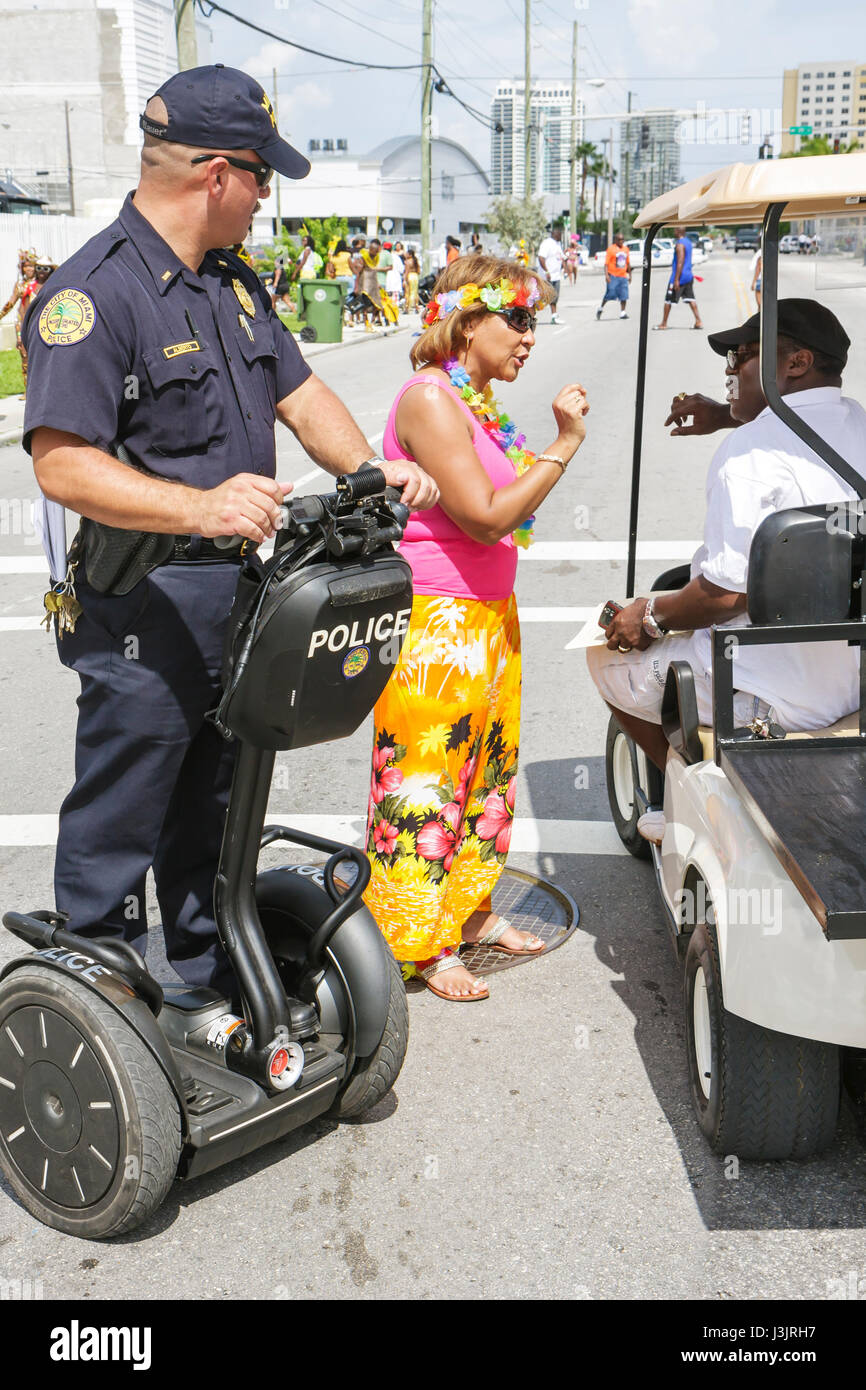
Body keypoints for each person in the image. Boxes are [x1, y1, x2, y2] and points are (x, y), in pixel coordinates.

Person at [21, 64, 438, 997]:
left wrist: (367, 470)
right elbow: (61, 463)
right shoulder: (91, 296)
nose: (264, 197)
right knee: (127, 803)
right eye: (260, 177)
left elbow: (299, 389)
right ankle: (96, 983)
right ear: (215, 175)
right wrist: (198, 506)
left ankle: (206, 980)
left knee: (215, 802)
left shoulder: (231, 282)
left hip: (246, 597)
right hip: (148, 602)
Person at [364, 254, 589, 999]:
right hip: (438, 621)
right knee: (425, 787)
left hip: (491, 615)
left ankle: (467, 915)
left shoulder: (475, 398)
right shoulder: (430, 399)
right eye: (518, 318)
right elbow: (488, 517)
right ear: (467, 321)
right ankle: (416, 942)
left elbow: (506, 506)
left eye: (534, 320)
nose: (530, 335)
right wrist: (563, 444)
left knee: (486, 779)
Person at [586, 299, 864, 842]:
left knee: (606, 660)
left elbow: (722, 595)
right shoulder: (855, 421)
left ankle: (682, 794)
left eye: (741, 355)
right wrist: (727, 414)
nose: (731, 370)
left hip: (773, 692)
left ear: (797, 363)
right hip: (852, 676)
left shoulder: (750, 452)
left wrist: (648, 615)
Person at [0, 249, 39, 397]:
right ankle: (28, 390)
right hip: (21, 324)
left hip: (36, 324)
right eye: (26, 266)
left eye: (31, 266)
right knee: (24, 356)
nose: (29, 269)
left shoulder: (41, 283)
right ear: (21, 268)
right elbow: (11, 302)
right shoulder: (20, 285)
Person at [655, 225, 703, 330]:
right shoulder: (688, 242)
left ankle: (664, 324)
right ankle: (698, 321)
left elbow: (680, 262)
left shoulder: (680, 244)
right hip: (689, 275)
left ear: (678, 231)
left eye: (674, 230)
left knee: (668, 300)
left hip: (679, 277)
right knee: (691, 299)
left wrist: (676, 279)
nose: (674, 232)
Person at [595, 231, 631, 321]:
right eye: (619, 239)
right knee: (610, 293)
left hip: (623, 275)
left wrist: (630, 275)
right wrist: (607, 275)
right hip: (613, 275)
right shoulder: (611, 249)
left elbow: (628, 263)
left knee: (624, 295)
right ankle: (601, 308)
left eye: (622, 239)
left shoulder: (626, 249)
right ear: (615, 240)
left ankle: (623, 312)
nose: (621, 241)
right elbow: (606, 264)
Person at [537, 222, 564, 325]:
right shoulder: (547, 243)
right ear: (555, 234)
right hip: (547, 276)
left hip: (556, 276)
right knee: (542, 297)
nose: (561, 236)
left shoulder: (557, 244)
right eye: (560, 234)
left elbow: (560, 257)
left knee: (554, 296)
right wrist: (546, 271)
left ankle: (554, 316)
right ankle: (527, 313)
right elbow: (541, 257)